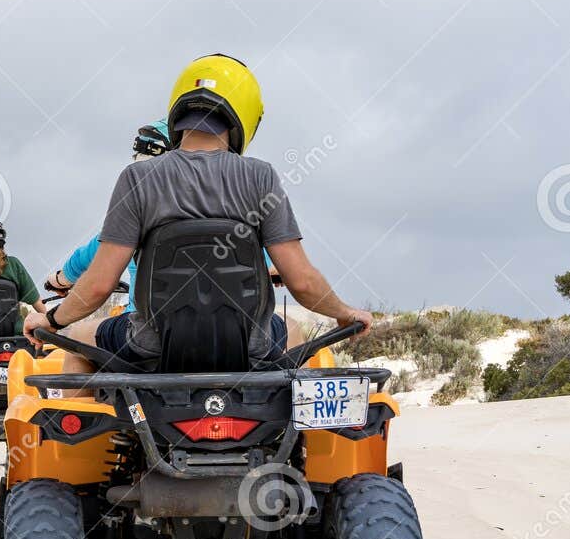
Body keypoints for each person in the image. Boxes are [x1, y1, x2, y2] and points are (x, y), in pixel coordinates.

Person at [23, 54, 372, 367]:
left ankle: (91, 437)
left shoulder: (137, 178)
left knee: (75, 346)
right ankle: (285, 431)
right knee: (292, 331)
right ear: (243, 116)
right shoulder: (260, 176)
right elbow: (303, 281)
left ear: (179, 108)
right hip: (251, 346)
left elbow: (98, 286)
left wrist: (52, 322)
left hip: (150, 347)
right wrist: (343, 313)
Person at [42, 119, 167, 304]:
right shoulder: (216, 204)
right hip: (219, 323)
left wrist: (61, 279)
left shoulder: (136, 217)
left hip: (144, 325)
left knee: (78, 331)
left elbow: (93, 254)